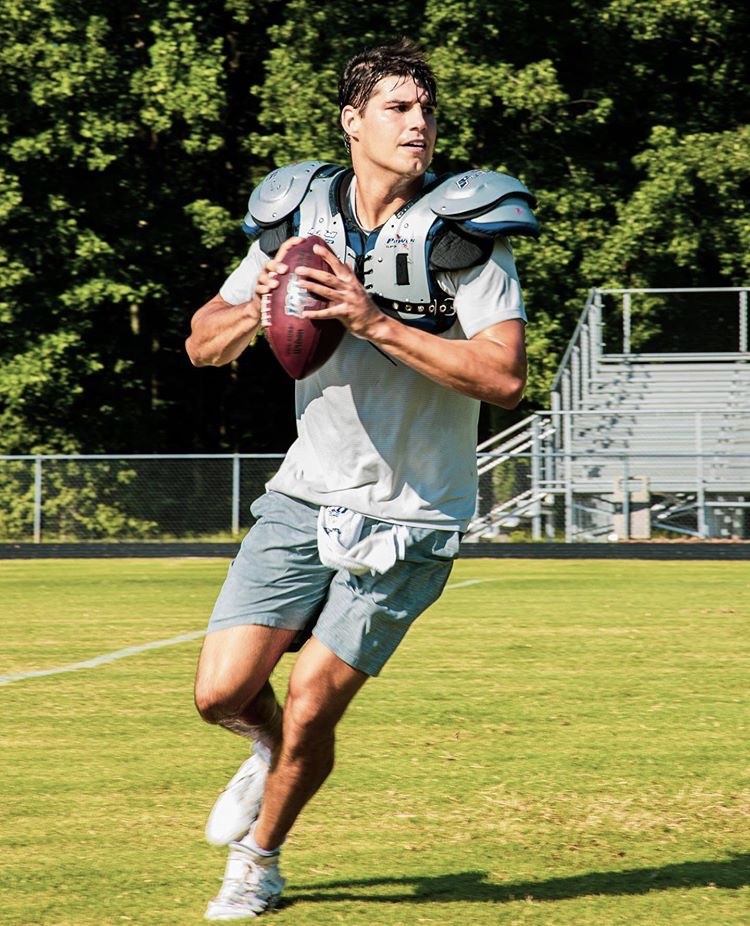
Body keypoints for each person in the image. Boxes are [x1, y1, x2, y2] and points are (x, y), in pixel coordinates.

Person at [186, 38, 537, 920]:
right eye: (397, 107)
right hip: (307, 490)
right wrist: (260, 296)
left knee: (310, 706)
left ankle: (259, 862)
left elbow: (503, 379)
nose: (418, 124)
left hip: (413, 516)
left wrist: (373, 320)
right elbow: (201, 342)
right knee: (222, 693)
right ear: (352, 121)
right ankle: (262, 752)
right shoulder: (299, 223)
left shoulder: (463, 238)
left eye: (425, 109)